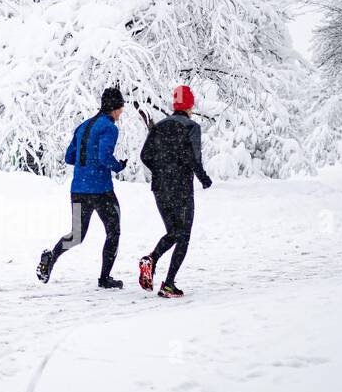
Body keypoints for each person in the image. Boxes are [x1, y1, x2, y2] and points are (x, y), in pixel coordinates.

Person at [36, 87, 128, 289]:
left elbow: (69, 157)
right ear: (113, 107)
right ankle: (105, 278)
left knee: (76, 234)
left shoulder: (83, 126)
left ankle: (51, 257)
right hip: (101, 190)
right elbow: (104, 157)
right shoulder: (109, 128)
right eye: (120, 107)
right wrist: (119, 166)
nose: (121, 112)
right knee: (114, 232)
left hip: (78, 190)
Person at [137, 85, 211, 298]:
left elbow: (145, 155)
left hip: (160, 187)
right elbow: (195, 159)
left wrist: (161, 171)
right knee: (183, 235)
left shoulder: (159, 126)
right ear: (189, 105)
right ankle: (168, 284)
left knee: (174, 232)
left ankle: (151, 260)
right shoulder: (191, 127)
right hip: (181, 188)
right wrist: (204, 179)